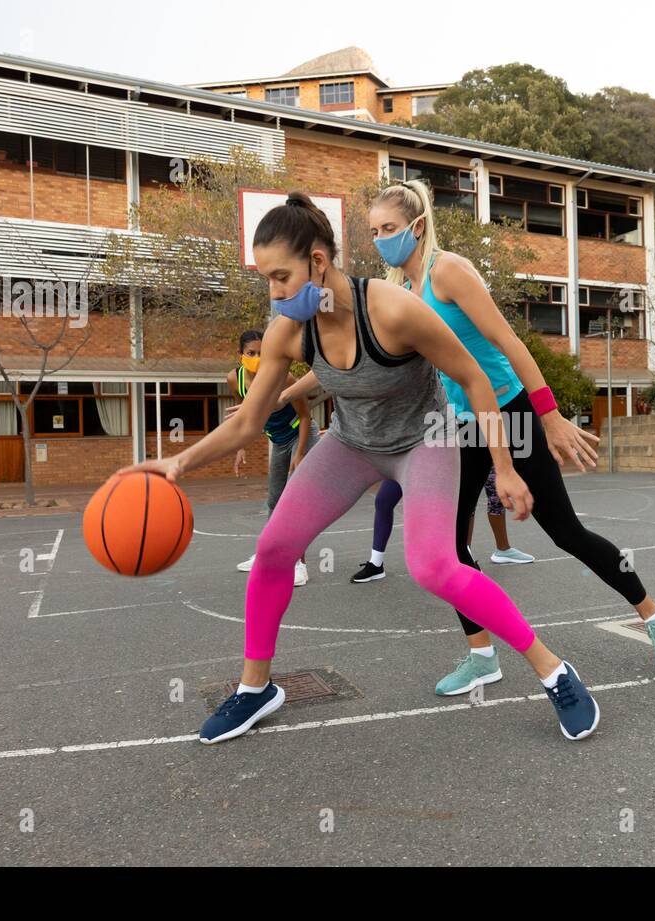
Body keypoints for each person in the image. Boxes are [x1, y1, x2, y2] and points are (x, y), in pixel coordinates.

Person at [119, 192, 599, 744]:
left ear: (318, 263)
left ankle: (555, 671)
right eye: (267, 280)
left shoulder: (393, 311)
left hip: (426, 441)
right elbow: (249, 421)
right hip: (352, 443)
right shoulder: (289, 329)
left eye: (281, 277)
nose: (273, 293)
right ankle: (256, 689)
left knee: (432, 567)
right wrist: (177, 462)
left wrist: (505, 469)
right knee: (274, 549)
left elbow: (473, 378)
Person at [285, 180, 655, 698]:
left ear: (418, 227)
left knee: (564, 531)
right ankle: (481, 656)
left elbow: (506, 339)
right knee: (449, 546)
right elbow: (335, 363)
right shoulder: (397, 294)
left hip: (507, 409)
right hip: (454, 424)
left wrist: (549, 414)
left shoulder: (447, 271)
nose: (382, 238)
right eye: (375, 231)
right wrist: (276, 394)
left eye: (390, 229)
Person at [228, 330, 318, 586]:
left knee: (296, 501)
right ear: (240, 355)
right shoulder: (235, 380)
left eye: (261, 353)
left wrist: (299, 454)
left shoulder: (284, 377)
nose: (256, 357)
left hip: (300, 434)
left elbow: (305, 417)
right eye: (250, 353)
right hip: (277, 440)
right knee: (273, 500)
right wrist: (241, 446)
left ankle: (299, 564)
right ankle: (268, 554)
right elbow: (243, 415)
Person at [347, 466, 534, 584]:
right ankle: (376, 563)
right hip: (409, 450)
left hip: (448, 448)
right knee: (384, 501)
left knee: (467, 503)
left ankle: (468, 557)